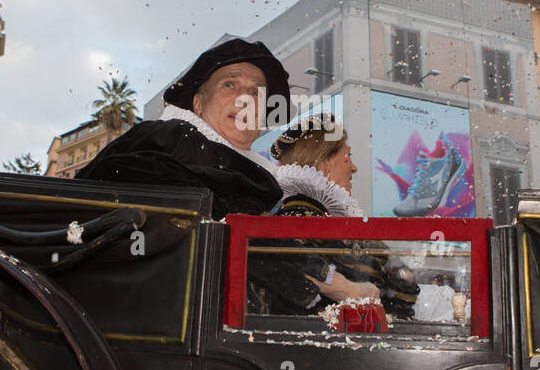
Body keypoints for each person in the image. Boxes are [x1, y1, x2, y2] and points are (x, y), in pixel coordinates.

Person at [77, 38, 290, 218]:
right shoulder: (168, 138)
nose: (245, 100)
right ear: (198, 104)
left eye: (255, 93)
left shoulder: (274, 184)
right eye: (229, 85)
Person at [256, 114, 420, 322]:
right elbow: (388, 292)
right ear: (324, 166)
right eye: (347, 156)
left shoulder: (320, 220)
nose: (354, 168)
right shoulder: (303, 220)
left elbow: (404, 292)